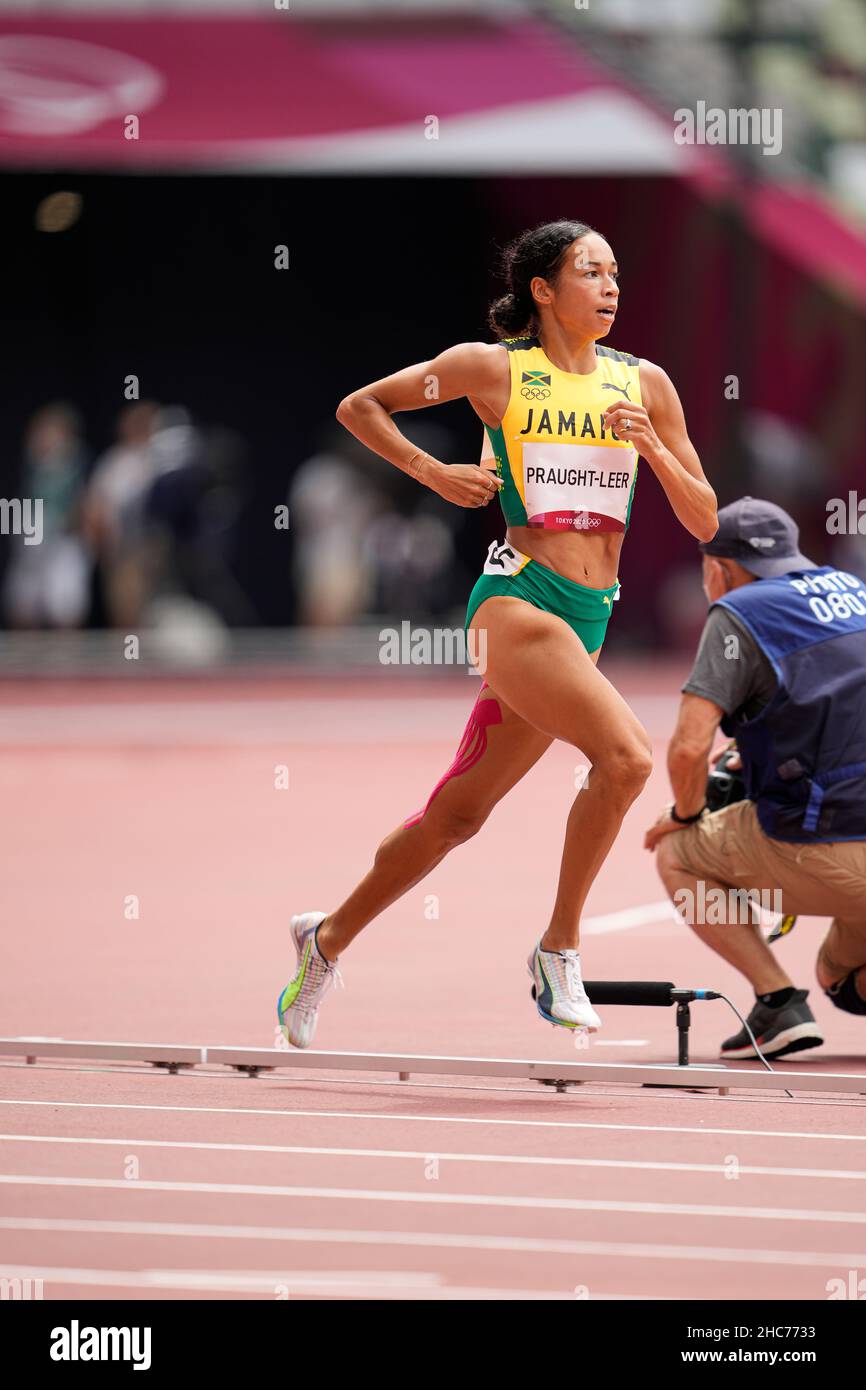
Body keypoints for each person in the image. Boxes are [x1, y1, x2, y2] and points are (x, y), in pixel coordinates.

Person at [278, 218, 717, 1049]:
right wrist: (435, 474)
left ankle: (325, 940)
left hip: (588, 621)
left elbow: (705, 518)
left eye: (617, 272)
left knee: (456, 818)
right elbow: (359, 405)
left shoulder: (645, 383)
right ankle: (559, 949)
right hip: (514, 605)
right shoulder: (495, 369)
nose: (612, 287)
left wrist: (656, 448)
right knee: (626, 758)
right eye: (591, 272)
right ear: (543, 291)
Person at [646, 498, 866, 1059]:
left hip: (832, 845)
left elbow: (690, 747)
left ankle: (778, 1002)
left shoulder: (739, 611)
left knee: (678, 852)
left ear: (718, 567)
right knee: (842, 976)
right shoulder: (853, 590)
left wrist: (686, 813)